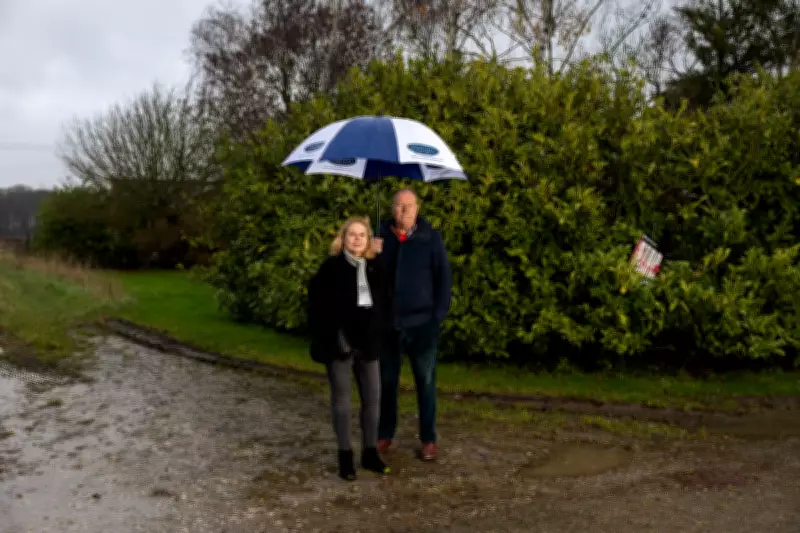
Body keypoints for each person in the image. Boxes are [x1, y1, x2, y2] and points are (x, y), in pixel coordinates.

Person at [307, 216, 391, 481]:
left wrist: (378, 333)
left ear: (368, 240)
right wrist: (336, 337)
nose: (356, 239)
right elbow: (318, 309)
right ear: (342, 238)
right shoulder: (330, 268)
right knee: (342, 403)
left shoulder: (376, 268)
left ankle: (370, 453)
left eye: (362, 235)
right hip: (340, 343)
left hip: (369, 344)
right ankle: (345, 457)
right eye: (352, 234)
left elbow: (386, 305)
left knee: (373, 400)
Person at [372, 188, 452, 461]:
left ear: (417, 209)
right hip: (388, 324)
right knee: (387, 381)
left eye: (408, 206)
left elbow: (444, 278)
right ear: (391, 209)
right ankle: (384, 434)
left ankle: (428, 438)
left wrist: (437, 316)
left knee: (425, 381)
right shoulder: (378, 238)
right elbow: (367, 280)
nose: (403, 211)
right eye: (398, 206)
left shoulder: (431, 238)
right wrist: (372, 255)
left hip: (422, 324)